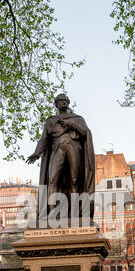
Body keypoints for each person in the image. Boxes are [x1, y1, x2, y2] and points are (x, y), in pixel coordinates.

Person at [26, 93, 95, 221]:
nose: (63, 102)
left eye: (65, 100)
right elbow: (44, 139)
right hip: (57, 150)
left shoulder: (77, 118)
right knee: (52, 179)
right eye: (60, 100)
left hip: (73, 148)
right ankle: (53, 212)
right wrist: (37, 153)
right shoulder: (51, 121)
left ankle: (75, 213)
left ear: (68, 103)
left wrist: (72, 124)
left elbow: (86, 132)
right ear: (56, 104)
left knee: (75, 180)